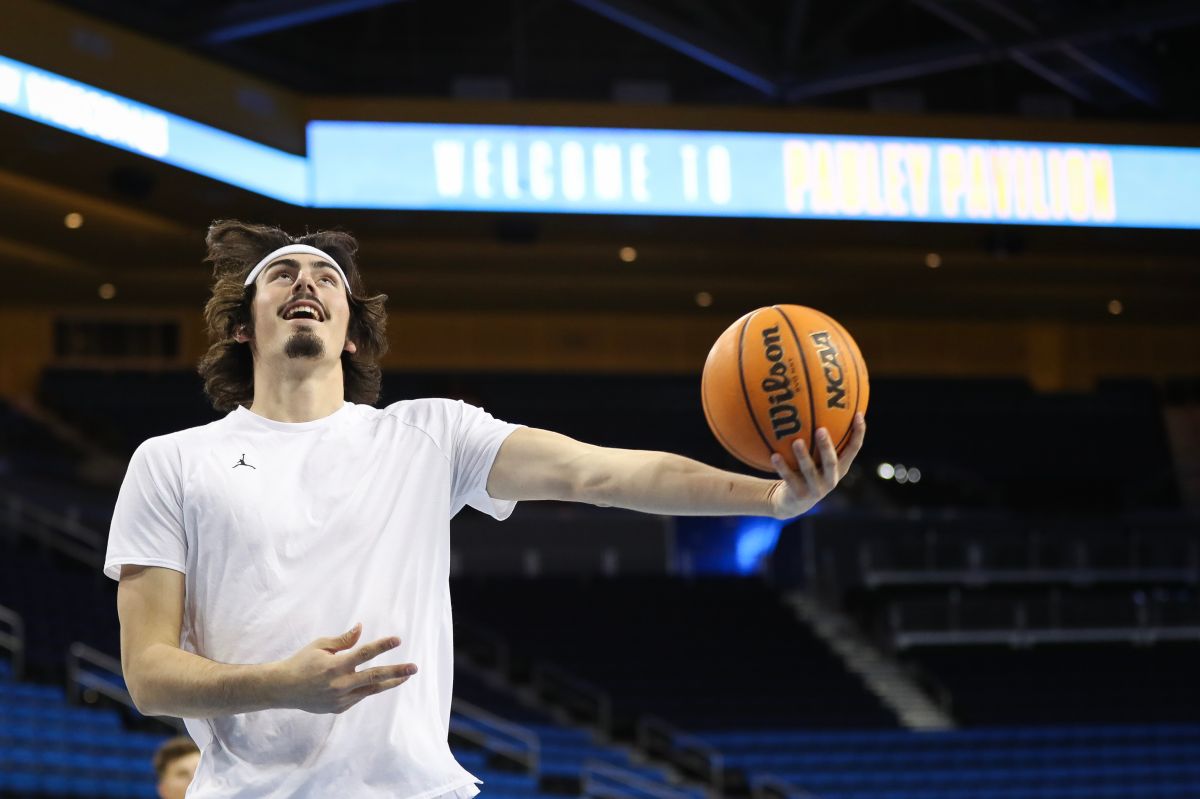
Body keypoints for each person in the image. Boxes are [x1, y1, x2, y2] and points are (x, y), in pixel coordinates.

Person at [107, 220, 866, 798]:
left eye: (326, 278)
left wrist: (770, 499)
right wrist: (283, 682)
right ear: (243, 324)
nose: (306, 282)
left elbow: (597, 472)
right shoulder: (171, 460)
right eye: (281, 274)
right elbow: (148, 674)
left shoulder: (429, 434)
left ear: (351, 329)